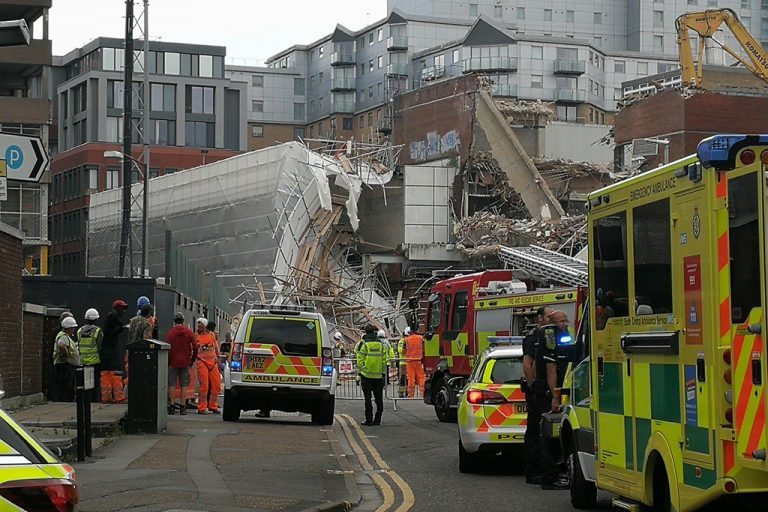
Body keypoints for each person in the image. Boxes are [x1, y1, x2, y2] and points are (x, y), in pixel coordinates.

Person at [522, 305, 557, 486]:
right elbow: (528, 364)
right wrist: (533, 387)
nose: (552, 319)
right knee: (535, 432)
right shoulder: (534, 337)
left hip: (547, 391)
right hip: (538, 392)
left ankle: (546, 469)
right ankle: (532, 471)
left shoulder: (550, 335)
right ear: (540, 319)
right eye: (549, 316)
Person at [356, 323, 394, 426]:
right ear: (374, 332)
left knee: (367, 399)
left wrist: (362, 370)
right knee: (379, 399)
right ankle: (378, 419)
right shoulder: (380, 344)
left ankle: (369, 420)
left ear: (365, 332)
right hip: (378, 376)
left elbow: (359, 359)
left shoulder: (363, 343)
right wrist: (382, 372)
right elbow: (384, 359)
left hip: (366, 375)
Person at [165, 312, 196, 415]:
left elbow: (168, 348)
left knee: (172, 384)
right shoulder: (188, 332)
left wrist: (168, 362)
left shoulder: (171, 333)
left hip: (173, 362)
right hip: (185, 362)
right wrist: (192, 359)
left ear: (174, 322)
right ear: (183, 321)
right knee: (184, 385)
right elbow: (195, 347)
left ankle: (172, 406)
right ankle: (183, 407)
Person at [100, 300, 129, 403]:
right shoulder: (114, 315)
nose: (124, 311)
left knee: (105, 373)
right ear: (117, 308)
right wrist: (123, 328)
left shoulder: (110, 316)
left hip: (105, 350)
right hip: (111, 350)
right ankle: (119, 397)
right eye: (122, 308)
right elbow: (117, 328)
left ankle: (106, 397)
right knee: (116, 372)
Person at [195, 318, 221, 415]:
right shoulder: (195, 335)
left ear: (205, 326)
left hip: (213, 362)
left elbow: (216, 347)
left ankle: (213, 405)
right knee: (204, 386)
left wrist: (218, 358)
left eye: (201, 325)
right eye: (198, 325)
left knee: (217, 385)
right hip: (202, 362)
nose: (199, 326)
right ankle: (201, 407)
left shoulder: (212, 335)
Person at [77, 308, 103, 402]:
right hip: (95, 361)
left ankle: (84, 401)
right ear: (96, 319)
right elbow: (100, 347)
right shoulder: (97, 331)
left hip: (83, 361)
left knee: (85, 384)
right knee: (95, 384)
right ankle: (94, 401)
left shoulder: (79, 331)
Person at [52, 316, 80, 402]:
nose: (74, 329)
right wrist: (68, 354)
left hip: (64, 364)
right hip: (65, 365)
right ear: (69, 328)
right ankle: (63, 400)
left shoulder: (64, 335)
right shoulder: (63, 336)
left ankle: (62, 399)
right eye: (73, 328)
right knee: (65, 385)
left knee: (64, 384)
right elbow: (61, 345)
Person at [403, 327, 426, 398]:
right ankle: (423, 394)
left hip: (410, 361)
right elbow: (424, 348)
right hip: (419, 360)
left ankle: (410, 395)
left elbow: (403, 351)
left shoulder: (406, 340)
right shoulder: (421, 338)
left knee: (410, 378)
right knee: (421, 377)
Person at [396, 328, 409, 398]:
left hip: (409, 362)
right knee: (402, 378)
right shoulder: (401, 341)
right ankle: (401, 393)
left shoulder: (410, 341)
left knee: (408, 379)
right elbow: (400, 350)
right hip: (403, 363)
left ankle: (408, 392)